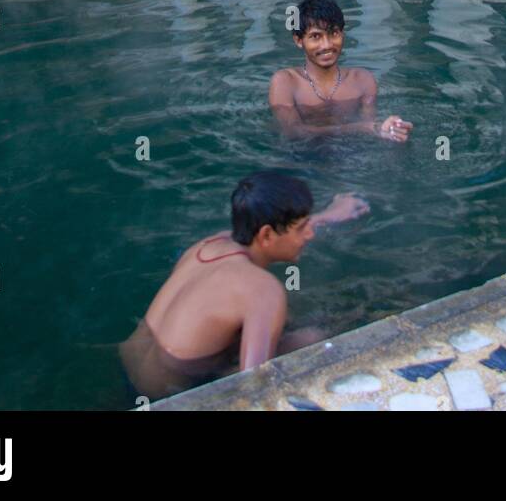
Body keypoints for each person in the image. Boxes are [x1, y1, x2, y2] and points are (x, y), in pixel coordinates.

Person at [119, 170, 368, 400]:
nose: (309, 234)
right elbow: (252, 386)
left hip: (131, 370)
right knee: (311, 338)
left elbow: (262, 230)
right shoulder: (263, 290)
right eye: (302, 228)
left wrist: (328, 215)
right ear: (267, 234)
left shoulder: (207, 246)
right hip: (170, 397)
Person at [269, 0, 413, 142]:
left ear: (342, 34)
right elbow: (294, 132)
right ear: (299, 41)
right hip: (299, 158)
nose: (327, 45)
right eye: (315, 36)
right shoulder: (286, 81)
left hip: (349, 155)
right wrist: (366, 128)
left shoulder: (362, 80)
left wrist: (388, 130)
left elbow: (367, 138)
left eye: (334, 33)